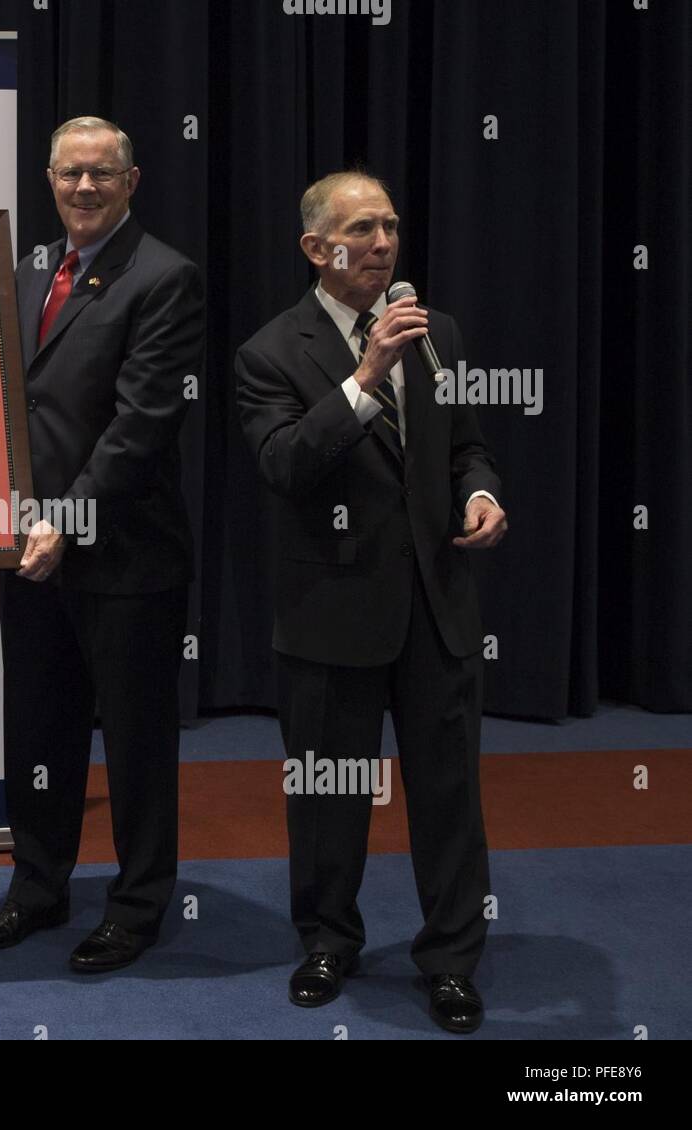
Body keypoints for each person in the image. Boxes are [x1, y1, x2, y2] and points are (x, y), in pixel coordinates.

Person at [234, 171, 508, 1032]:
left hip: (437, 605)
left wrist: (482, 494)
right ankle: (326, 941)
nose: (384, 243)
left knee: (449, 796)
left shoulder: (441, 336)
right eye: (362, 228)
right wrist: (365, 374)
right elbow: (284, 465)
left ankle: (453, 958)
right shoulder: (269, 351)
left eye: (391, 225)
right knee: (327, 794)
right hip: (331, 613)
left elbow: (470, 446)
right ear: (318, 248)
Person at [0, 116, 204, 972]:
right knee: (37, 734)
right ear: (50, 179)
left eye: (103, 174)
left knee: (137, 746)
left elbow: (140, 425)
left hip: (125, 559)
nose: (85, 188)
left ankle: (137, 907)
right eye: (71, 174)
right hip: (26, 558)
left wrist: (63, 522)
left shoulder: (165, 276)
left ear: (132, 182)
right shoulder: (28, 269)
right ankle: (36, 888)